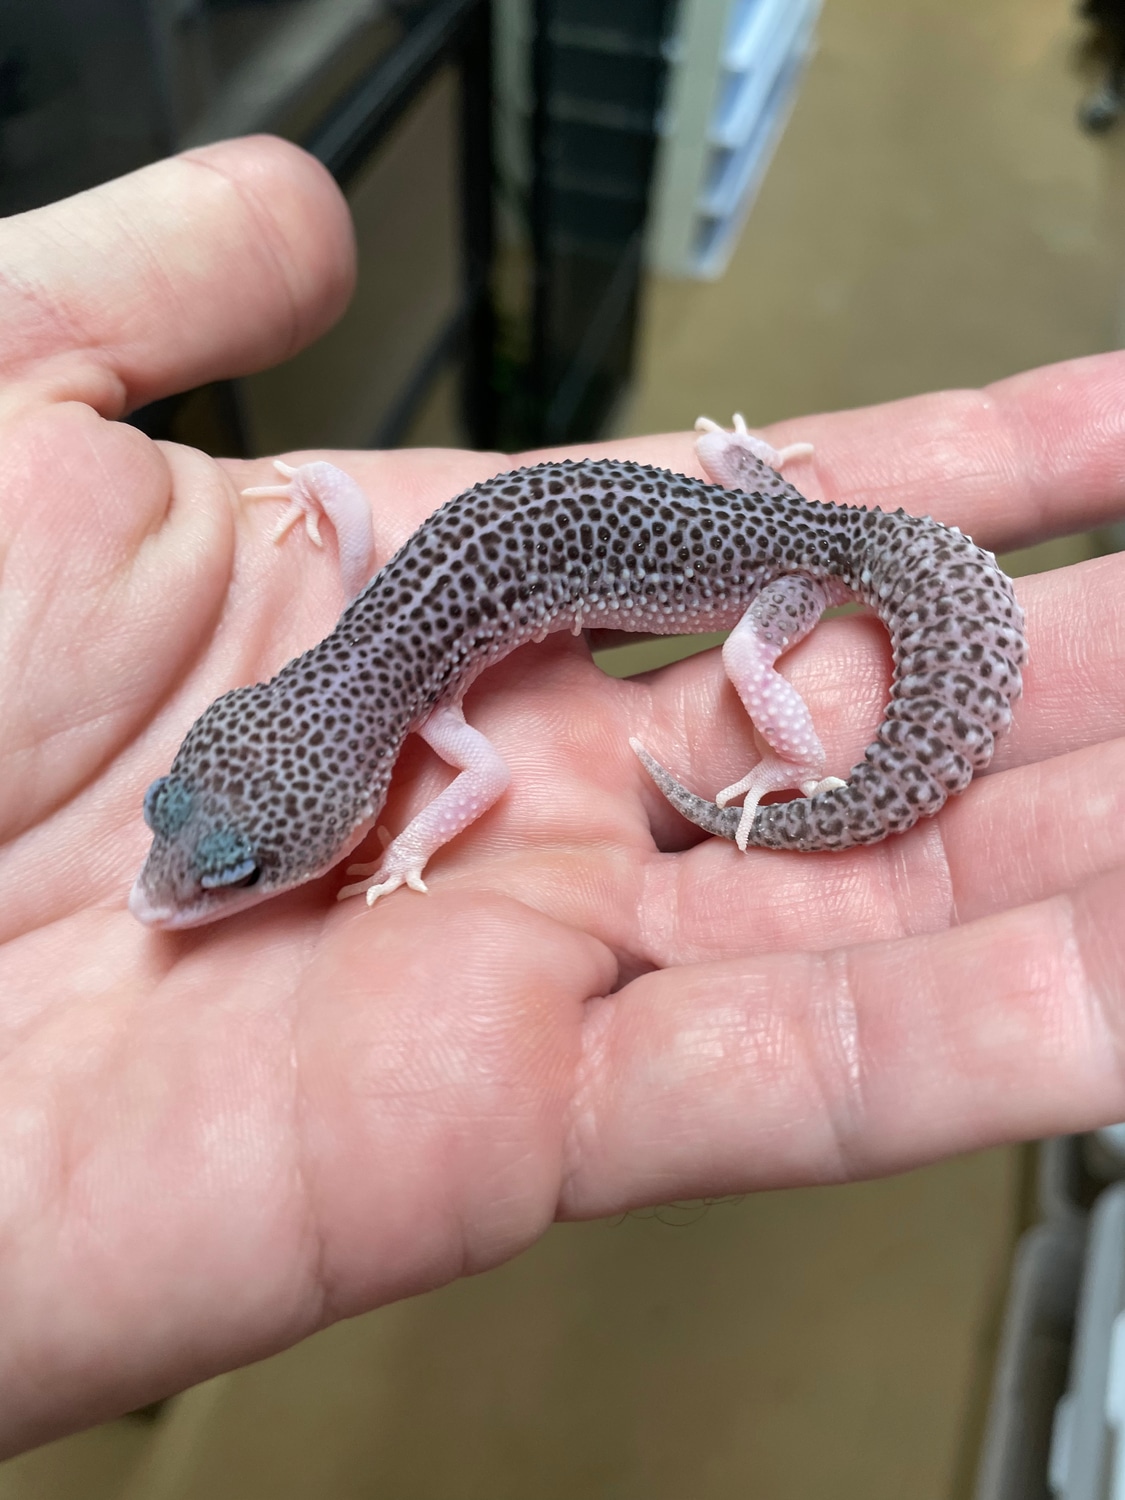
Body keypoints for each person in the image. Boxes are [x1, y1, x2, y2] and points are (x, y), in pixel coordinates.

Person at [0, 134, 1122, 1458]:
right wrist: (313, 493)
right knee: (752, 592)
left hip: (790, 564)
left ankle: (794, 769)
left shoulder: (394, 685)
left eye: (230, 867)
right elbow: (355, 519)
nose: (170, 892)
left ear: (344, 795)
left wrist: (410, 854)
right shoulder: (377, 647)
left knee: (749, 661)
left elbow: (471, 773)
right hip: (768, 517)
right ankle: (763, 537)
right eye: (197, 849)